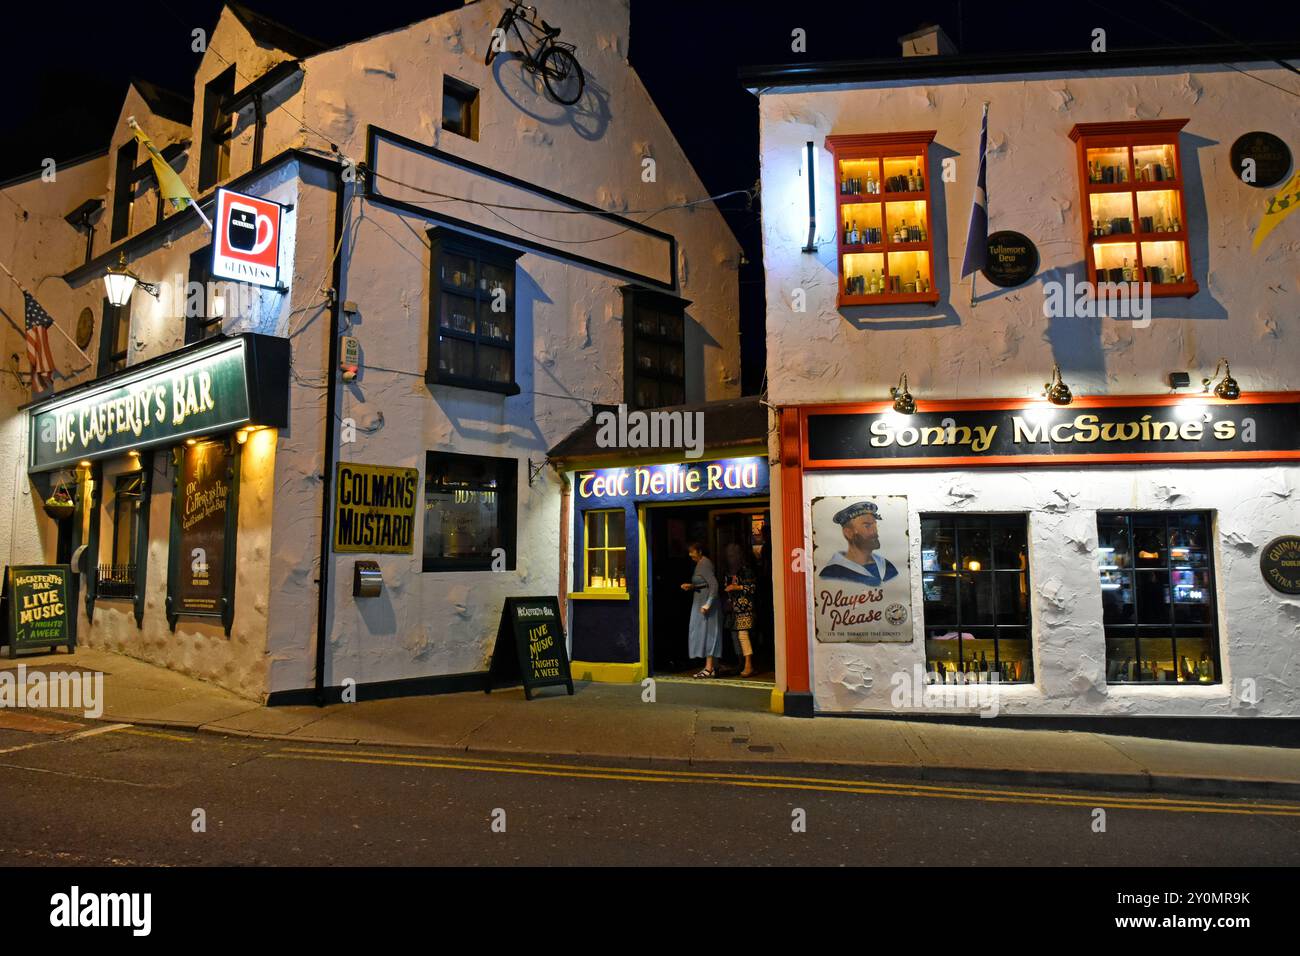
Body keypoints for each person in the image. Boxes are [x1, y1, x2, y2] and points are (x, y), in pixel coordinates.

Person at [818, 500, 899, 586]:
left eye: (875, 525)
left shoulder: (886, 567)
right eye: (867, 526)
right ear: (848, 533)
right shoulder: (832, 573)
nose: (875, 531)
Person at [680, 541, 721, 678]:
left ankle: (709, 668)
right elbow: (704, 583)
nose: (690, 554)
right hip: (700, 600)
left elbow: (714, 585)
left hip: (706, 604)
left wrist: (708, 604)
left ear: (700, 551)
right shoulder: (700, 564)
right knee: (703, 632)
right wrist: (692, 586)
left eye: (692, 551)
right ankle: (713, 667)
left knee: (709, 633)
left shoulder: (704, 563)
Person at [723, 542, 757, 677]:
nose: (730, 558)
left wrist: (736, 587)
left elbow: (752, 588)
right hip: (732, 608)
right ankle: (741, 663)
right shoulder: (729, 571)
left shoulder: (745, 570)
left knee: (743, 635)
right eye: (728, 555)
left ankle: (749, 664)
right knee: (735, 636)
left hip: (744, 607)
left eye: (732, 555)